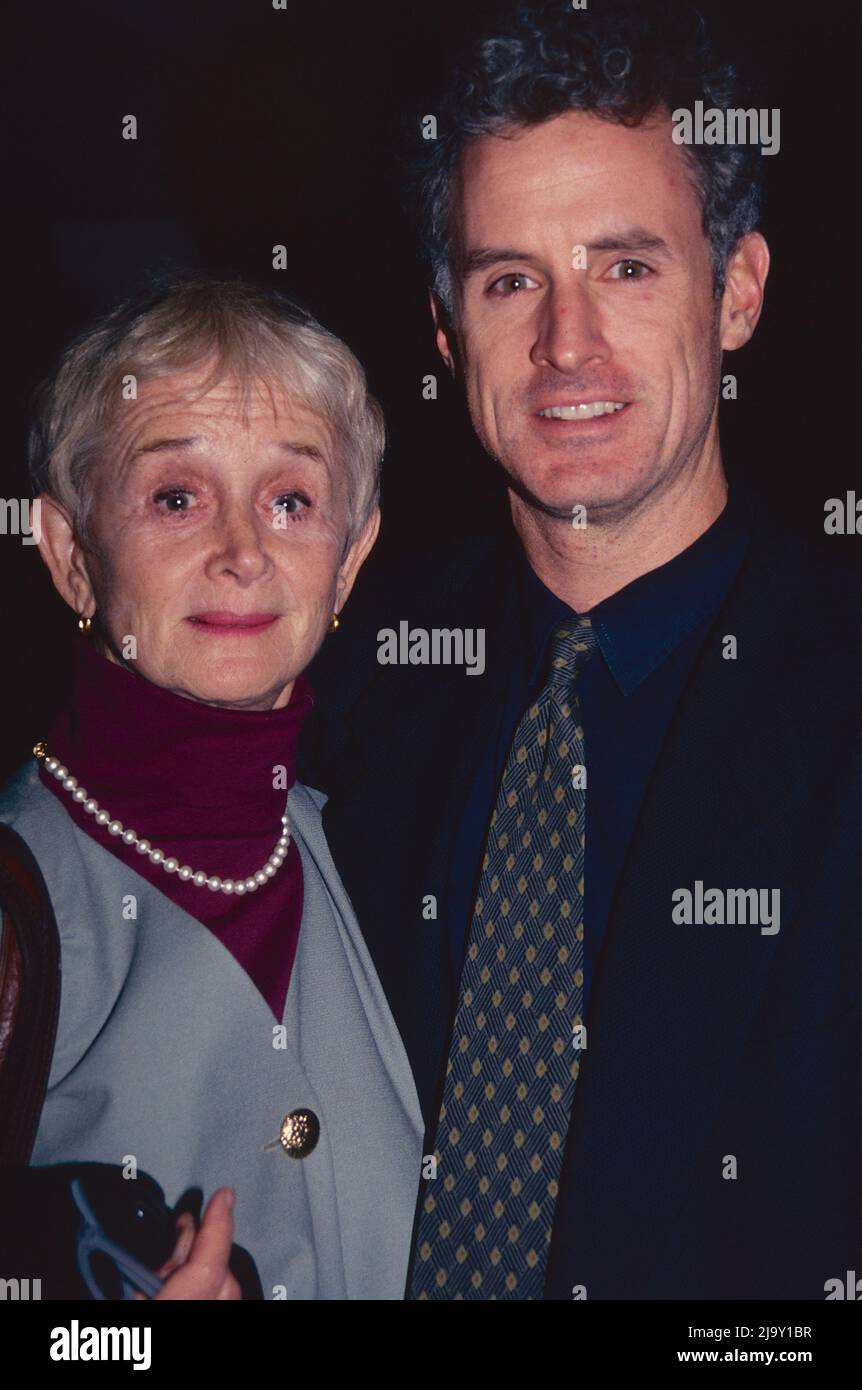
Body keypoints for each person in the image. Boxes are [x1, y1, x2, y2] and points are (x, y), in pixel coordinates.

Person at [300, 0, 862, 1298]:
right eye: (509, 279)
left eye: (624, 266)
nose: (565, 345)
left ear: (737, 292)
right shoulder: (339, 667)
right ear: (444, 331)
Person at [0, 277, 424, 1299]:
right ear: (70, 556)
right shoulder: (21, 908)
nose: (240, 553)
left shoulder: (387, 851)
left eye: (290, 501)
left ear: (350, 559)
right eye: (176, 497)